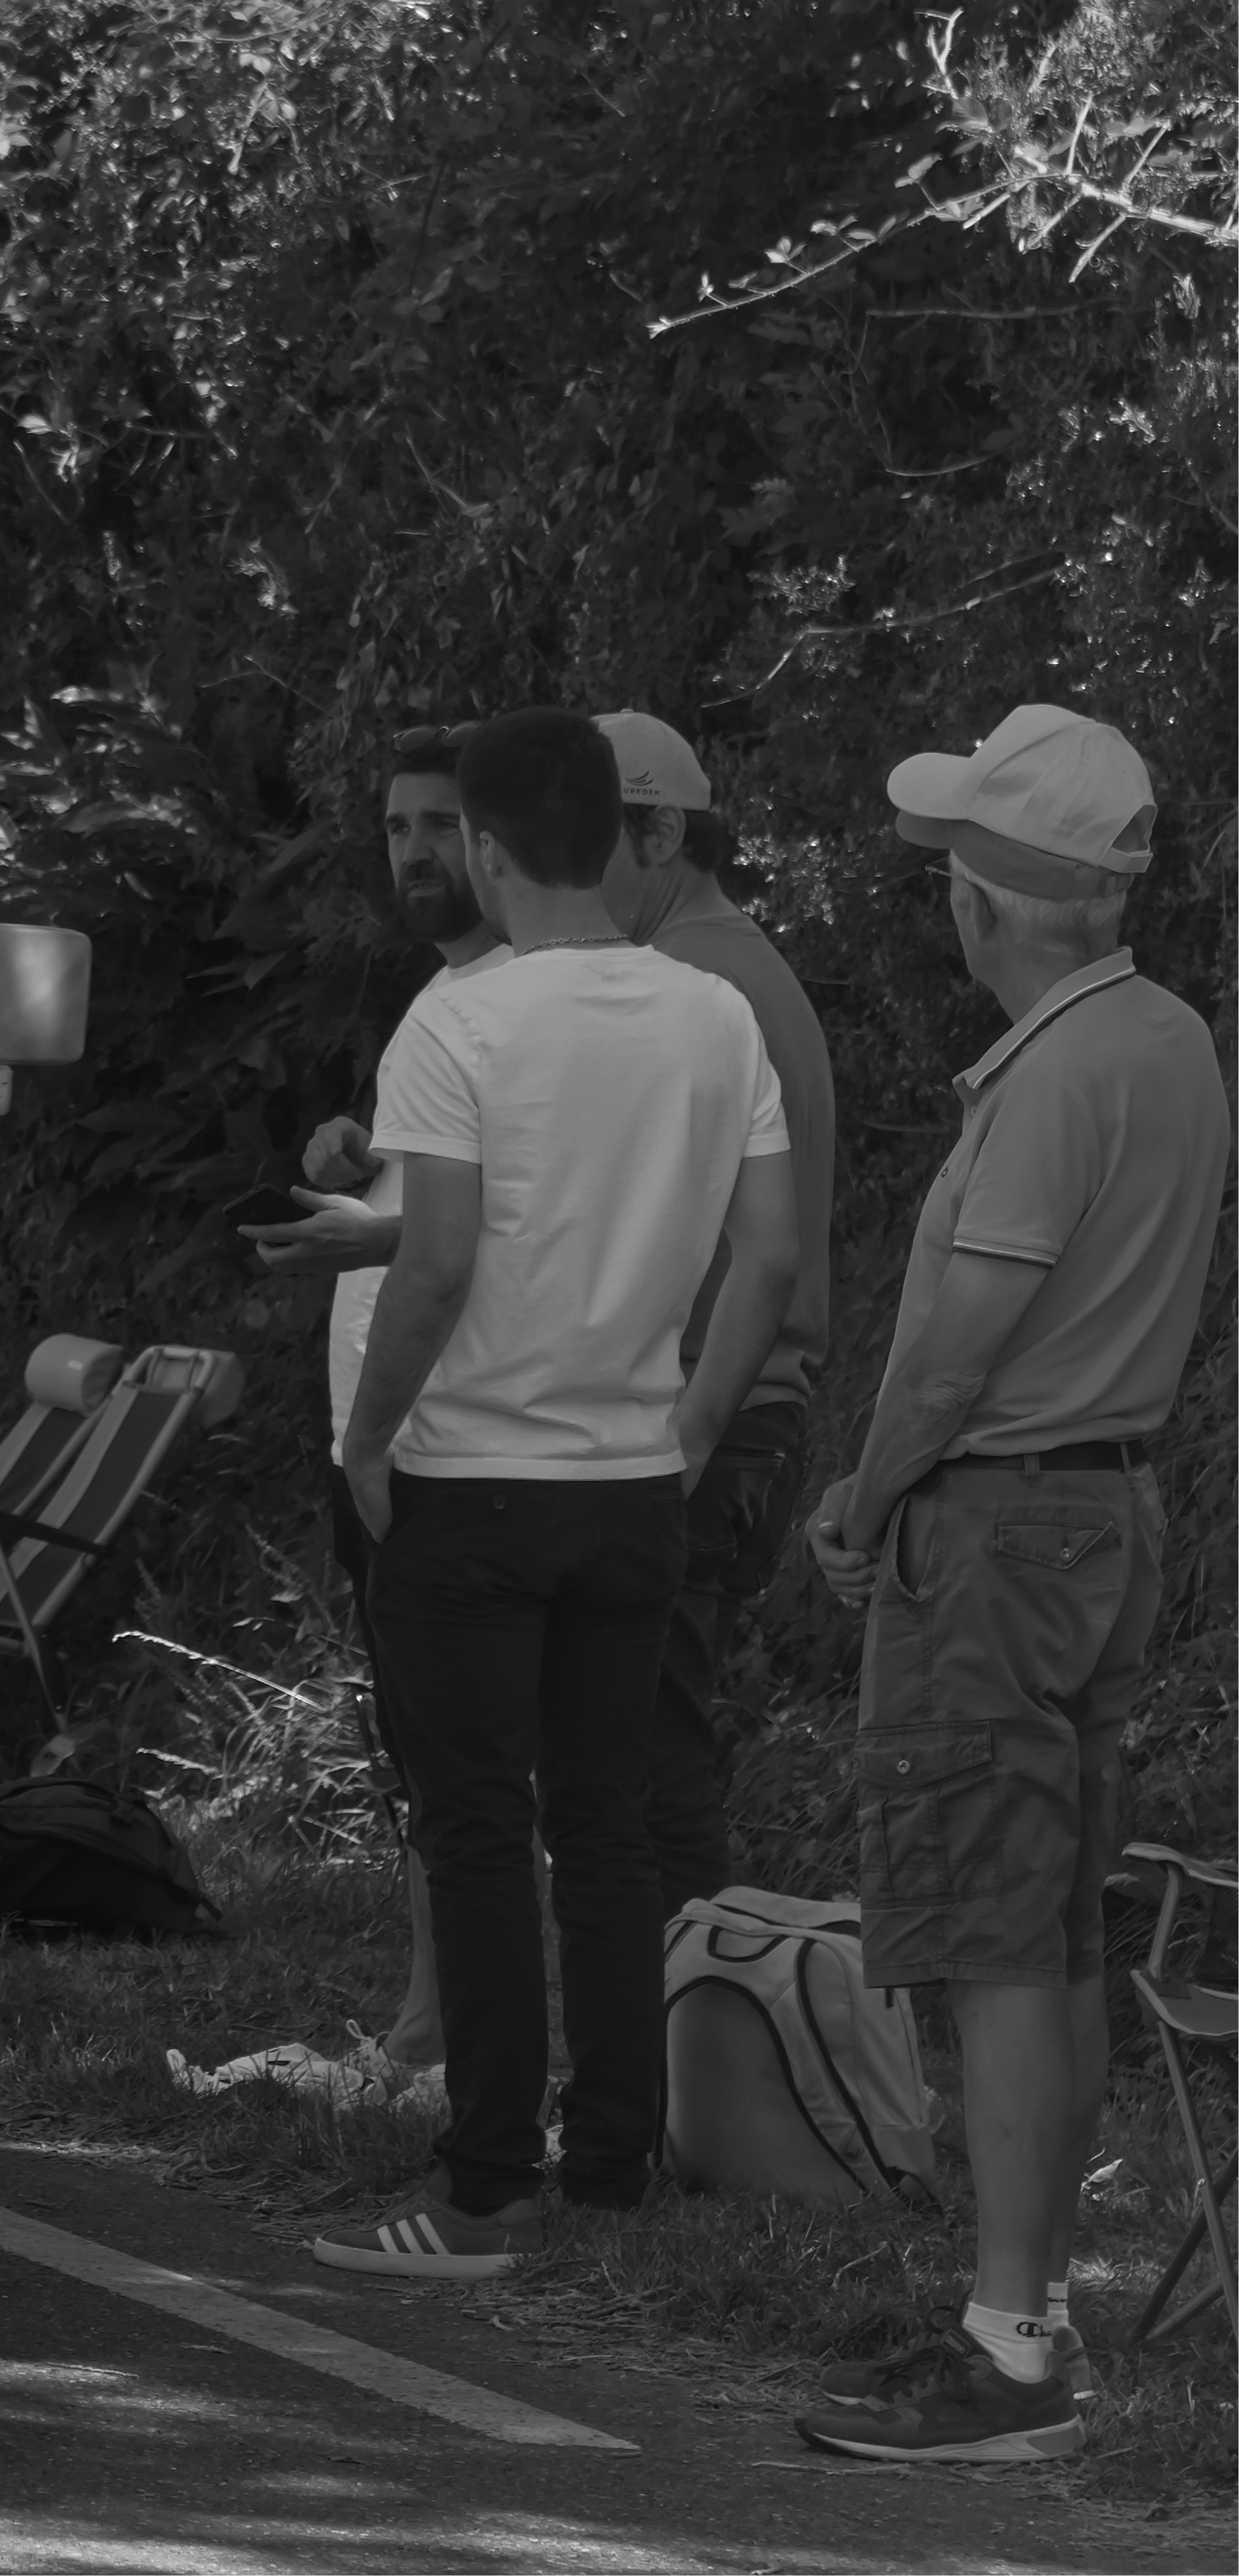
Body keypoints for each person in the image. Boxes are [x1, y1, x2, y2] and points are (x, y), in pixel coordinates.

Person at [309, 710, 796, 2277]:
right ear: (610, 833)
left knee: (473, 1830)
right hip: (635, 1477)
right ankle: (605, 2174)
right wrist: (696, 1421)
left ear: (498, 850)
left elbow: (438, 1262)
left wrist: (369, 1441)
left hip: (474, 1478)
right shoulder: (718, 1014)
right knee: (604, 1829)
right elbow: (768, 1257)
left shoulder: (459, 1028)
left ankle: (478, 2191)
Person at [793, 704, 1225, 2465]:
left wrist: (864, 1495)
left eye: (954, 867)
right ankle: (1020, 2314)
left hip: (999, 1523)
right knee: (1043, 1927)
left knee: (990, 1933)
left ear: (989, 899)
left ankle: (1013, 2349)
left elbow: (961, 1345)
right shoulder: (1168, 1039)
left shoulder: (1052, 1071)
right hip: (1103, 1518)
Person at [246, 722, 512, 2075]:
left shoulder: (514, 997)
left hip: (446, 1441)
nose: (413, 848)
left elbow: (516, 1233)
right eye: (398, 824)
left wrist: (374, 1234)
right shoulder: (439, 994)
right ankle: (437, 2021)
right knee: (429, 1757)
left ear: (500, 836)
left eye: (439, 823)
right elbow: (434, 1194)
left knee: (467, 1766)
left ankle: (442, 2038)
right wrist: (357, 1157)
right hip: (391, 1441)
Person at [594, 711, 841, 1909]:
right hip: (739, 1407)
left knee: (643, 1759)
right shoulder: (731, 959)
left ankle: (669, 2073)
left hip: (704, 1410)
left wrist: (676, 1439)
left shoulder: (692, 979)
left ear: (658, 833)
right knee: (648, 1743)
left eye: (583, 840)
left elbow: (658, 1235)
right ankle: (656, 2063)